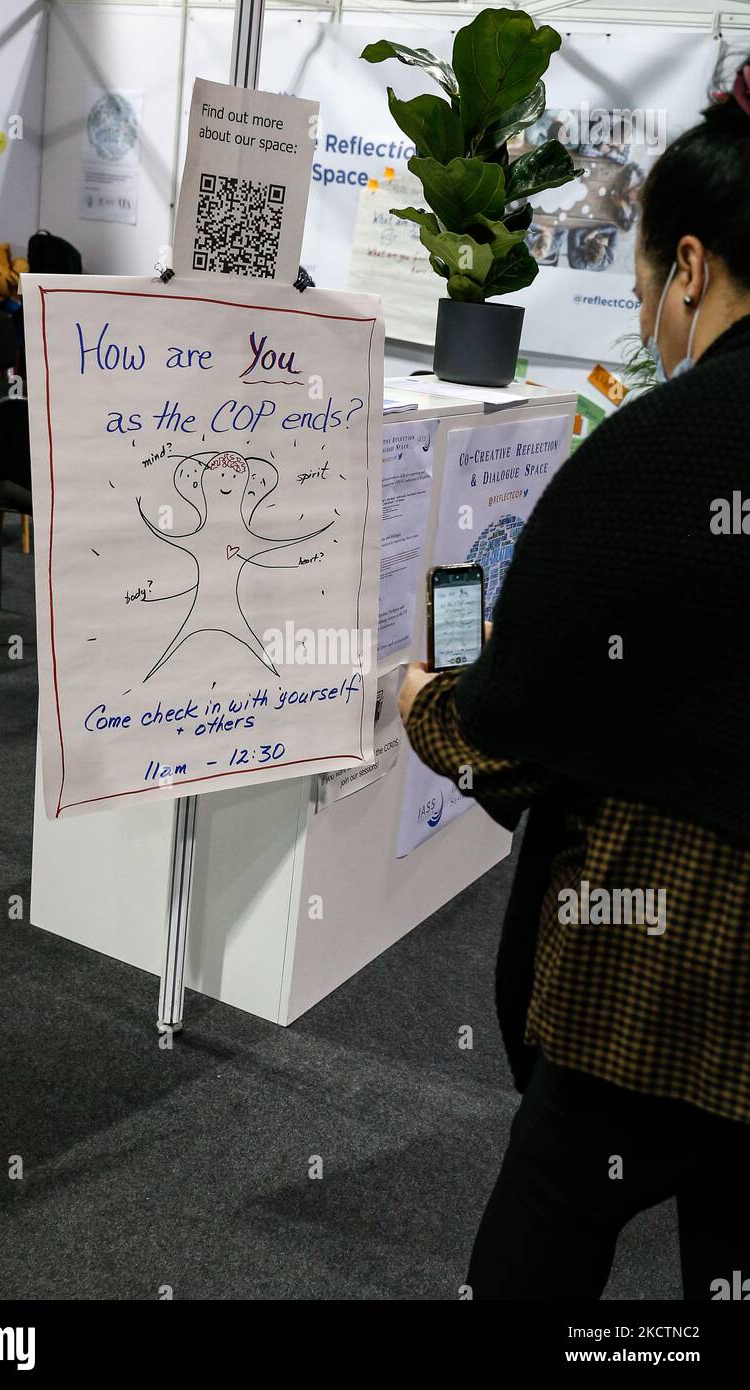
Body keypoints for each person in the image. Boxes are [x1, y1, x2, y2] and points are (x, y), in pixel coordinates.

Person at [398, 62, 750, 1301]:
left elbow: (512, 723)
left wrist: (419, 707)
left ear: (690, 268)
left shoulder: (655, 453)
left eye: (646, 283)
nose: (649, 309)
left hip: (658, 949)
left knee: (547, 1221)